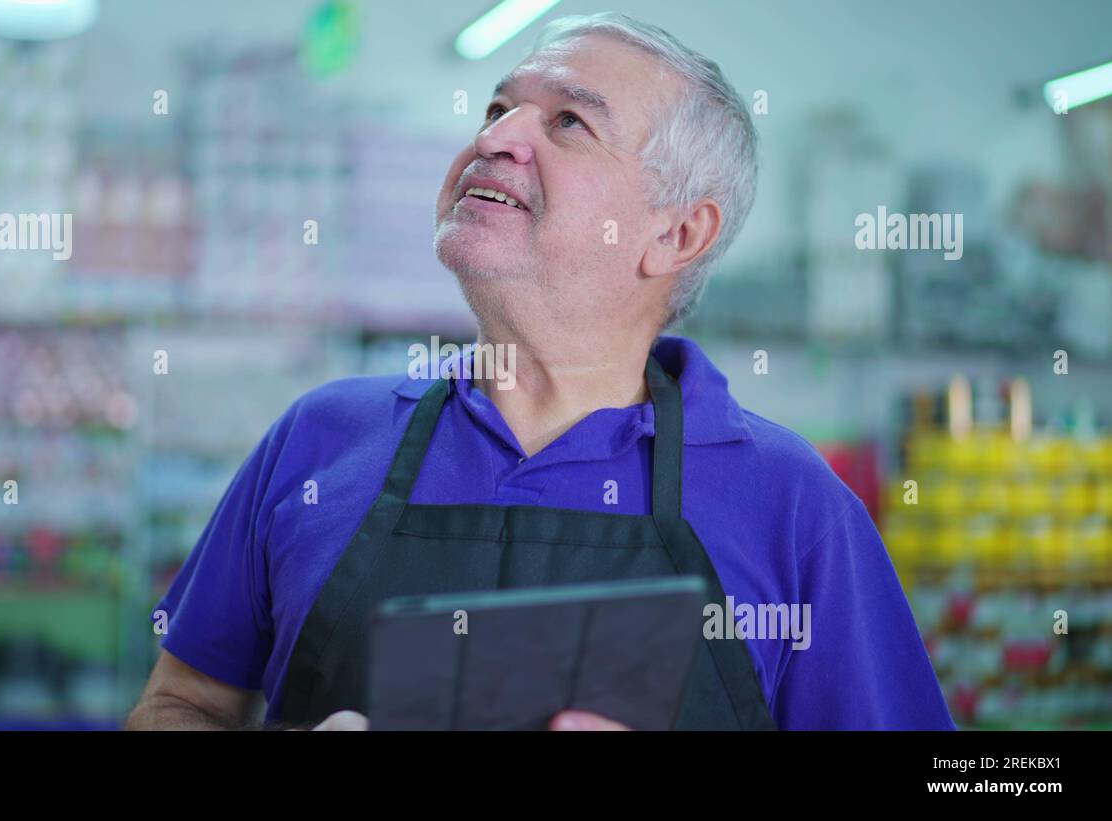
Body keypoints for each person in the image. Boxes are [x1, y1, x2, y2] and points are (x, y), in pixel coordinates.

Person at [126, 12, 954, 731]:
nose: (492, 138)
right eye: (497, 108)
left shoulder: (793, 505)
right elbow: (180, 703)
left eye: (567, 124)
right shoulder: (319, 438)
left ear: (675, 235)